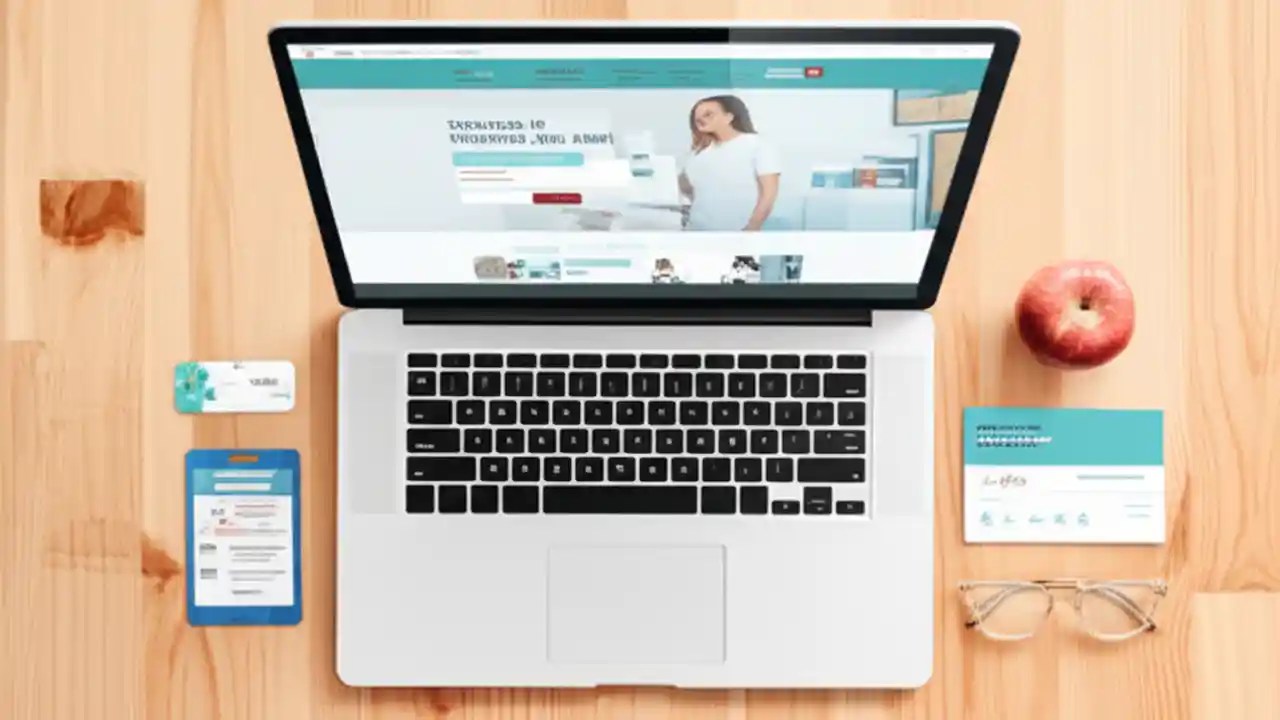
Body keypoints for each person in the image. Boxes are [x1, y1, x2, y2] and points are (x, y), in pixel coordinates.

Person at [678, 95, 781, 231]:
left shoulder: (757, 145)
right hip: (698, 231)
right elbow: (687, 188)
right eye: (696, 117)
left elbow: (769, 194)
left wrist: (753, 227)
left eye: (708, 114)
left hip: (739, 232)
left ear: (729, 117)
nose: (700, 119)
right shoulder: (698, 152)